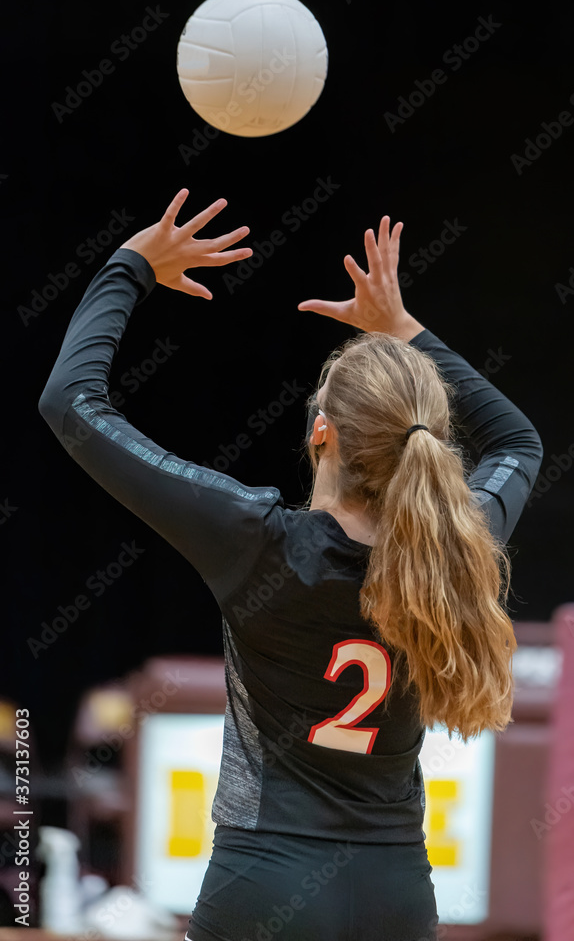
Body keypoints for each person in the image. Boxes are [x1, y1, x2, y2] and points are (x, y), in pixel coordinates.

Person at [39, 190, 543, 941]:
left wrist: (130, 266)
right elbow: (518, 443)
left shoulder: (253, 538)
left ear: (320, 433)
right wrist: (407, 331)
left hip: (262, 879)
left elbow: (71, 403)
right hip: (395, 891)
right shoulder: (460, 540)